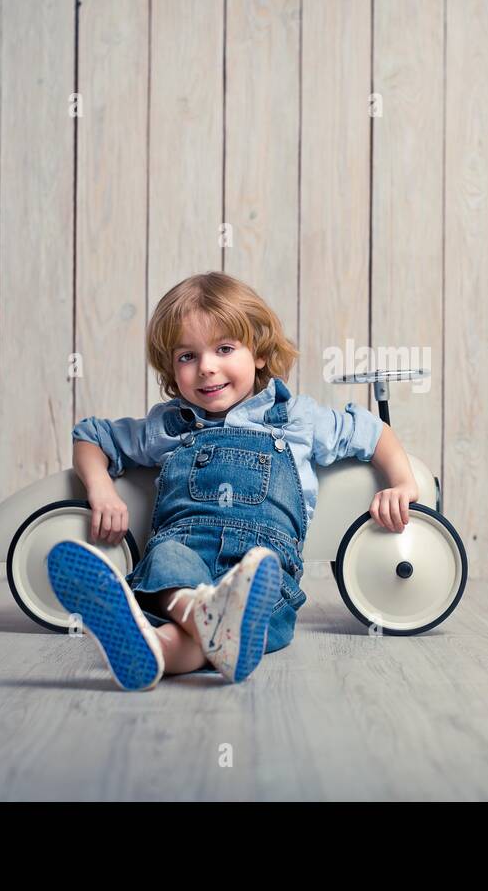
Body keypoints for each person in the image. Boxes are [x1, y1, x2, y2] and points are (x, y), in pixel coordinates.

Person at [46, 271, 419, 689]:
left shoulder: (295, 417)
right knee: (170, 563)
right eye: (187, 356)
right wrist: (101, 491)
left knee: (222, 618)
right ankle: (198, 619)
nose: (207, 367)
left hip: (260, 573)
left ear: (259, 352)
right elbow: (91, 437)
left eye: (224, 348)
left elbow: (372, 432)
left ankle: (159, 644)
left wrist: (403, 484)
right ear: (171, 366)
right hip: (184, 556)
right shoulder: (171, 425)